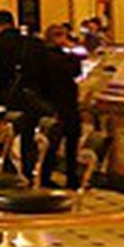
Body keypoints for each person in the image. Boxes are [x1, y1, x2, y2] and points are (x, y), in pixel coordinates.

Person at [36, 23, 83, 188]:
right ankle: (67, 177)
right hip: (63, 104)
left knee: (55, 143)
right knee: (63, 142)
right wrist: (72, 51)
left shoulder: (42, 55)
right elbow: (75, 71)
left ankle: (48, 176)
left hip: (52, 103)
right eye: (60, 35)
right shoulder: (56, 56)